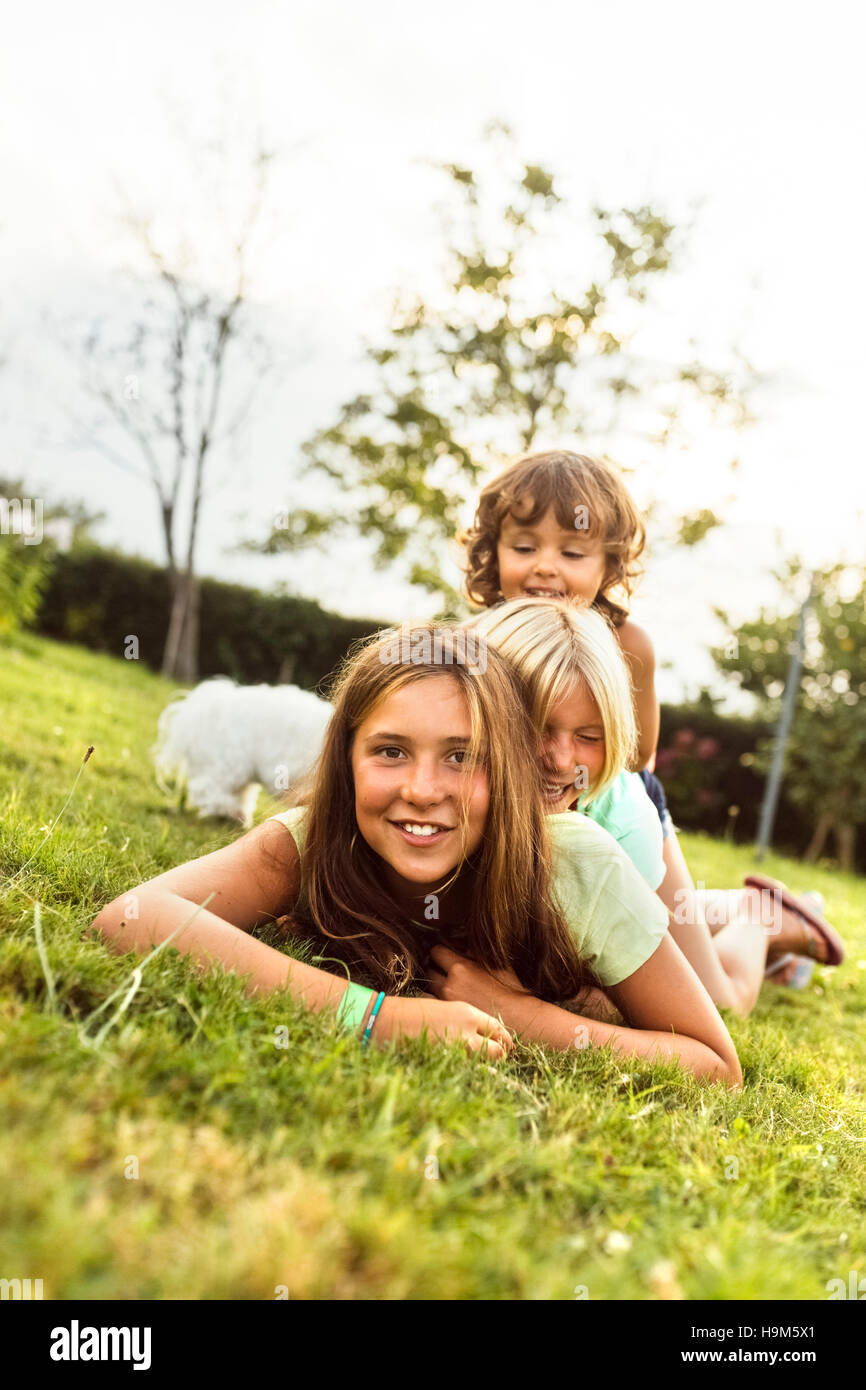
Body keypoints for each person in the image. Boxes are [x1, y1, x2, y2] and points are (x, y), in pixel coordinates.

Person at [90, 622, 742, 1086]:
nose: (423, 791)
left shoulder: (579, 865)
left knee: (731, 978)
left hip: (617, 937)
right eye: (390, 751)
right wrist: (375, 1017)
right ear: (345, 760)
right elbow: (130, 916)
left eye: (462, 756)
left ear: (511, 771)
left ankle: (757, 921)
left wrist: (521, 1017)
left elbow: (714, 1063)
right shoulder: (313, 839)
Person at [459, 452, 845, 993]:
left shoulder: (628, 646)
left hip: (622, 807)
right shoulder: (473, 642)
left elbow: (636, 760)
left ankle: (760, 918)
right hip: (526, 809)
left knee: (713, 995)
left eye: (572, 552)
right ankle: (756, 922)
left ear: (607, 566)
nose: (545, 565)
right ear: (494, 551)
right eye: (524, 547)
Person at [470, 597, 845, 1016]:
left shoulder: (623, 825)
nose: (560, 760)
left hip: (636, 855)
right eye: (536, 727)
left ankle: (758, 915)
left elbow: (620, 974)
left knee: (720, 1000)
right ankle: (724, 907)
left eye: (589, 738)